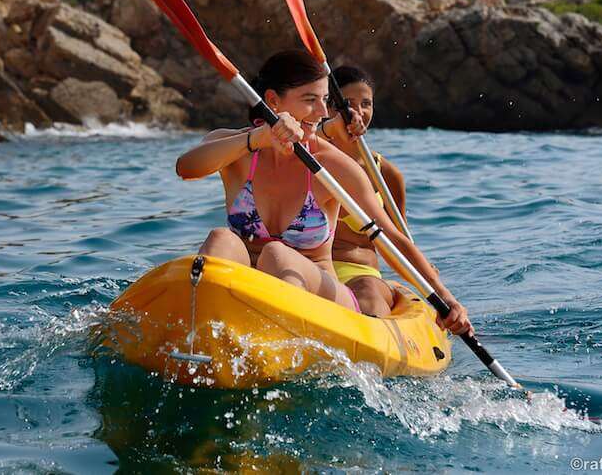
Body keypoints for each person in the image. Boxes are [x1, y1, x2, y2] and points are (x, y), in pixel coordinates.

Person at [175, 50, 471, 334]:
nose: (321, 112)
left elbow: (391, 238)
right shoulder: (239, 149)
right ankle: (200, 334)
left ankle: (282, 345)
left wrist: (446, 298)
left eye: (325, 100)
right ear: (273, 101)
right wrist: (258, 139)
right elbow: (186, 168)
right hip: (250, 287)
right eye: (310, 100)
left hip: (323, 294)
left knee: (276, 254)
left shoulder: (332, 166)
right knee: (220, 239)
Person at [320, 66, 411, 317]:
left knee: (368, 290)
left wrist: (429, 284)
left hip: (360, 274)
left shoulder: (387, 175)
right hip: (309, 271)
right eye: (348, 103)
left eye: (366, 104)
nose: (358, 112)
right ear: (327, 108)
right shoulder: (305, 158)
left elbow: (398, 243)